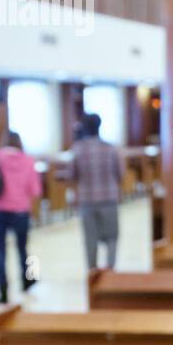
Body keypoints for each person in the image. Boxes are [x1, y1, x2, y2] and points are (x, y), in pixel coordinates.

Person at [0, 130, 42, 305]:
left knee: (0, 252)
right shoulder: (28, 161)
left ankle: (2, 291)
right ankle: (27, 281)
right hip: (20, 211)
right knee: (23, 249)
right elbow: (35, 190)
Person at [65, 112, 124, 270]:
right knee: (112, 236)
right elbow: (120, 173)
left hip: (87, 200)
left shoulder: (77, 149)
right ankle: (110, 271)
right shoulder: (111, 148)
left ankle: (93, 273)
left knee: (90, 239)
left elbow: (71, 175)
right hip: (109, 199)